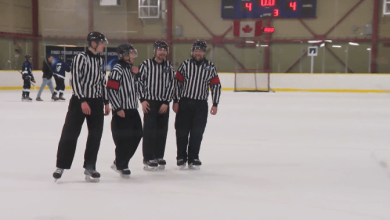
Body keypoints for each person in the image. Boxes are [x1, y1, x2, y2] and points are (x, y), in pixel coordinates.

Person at [53, 31, 110, 182]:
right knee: (70, 133)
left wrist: (106, 102)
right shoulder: (80, 58)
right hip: (80, 101)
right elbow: (75, 80)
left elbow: (102, 82)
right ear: (93, 43)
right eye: (102, 43)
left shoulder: (99, 60)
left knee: (95, 135)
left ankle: (90, 166)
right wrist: (83, 100)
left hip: (97, 101)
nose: (104, 45)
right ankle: (61, 166)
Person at [173, 40, 221, 169]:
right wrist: (176, 101)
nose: (198, 53)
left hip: (200, 105)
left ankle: (193, 157)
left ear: (204, 53)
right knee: (182, 132)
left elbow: (216, 86)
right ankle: (181, 157)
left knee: (197, 132)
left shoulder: (210, 67)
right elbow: (177, 84)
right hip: (184, 103)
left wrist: (215, 103)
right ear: (192, 52)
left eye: (200, 51)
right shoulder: (185, 65)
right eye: (196, 51)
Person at [138, 40, 176, 171]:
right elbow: (139, 82)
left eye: (164, 50)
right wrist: (142, 100)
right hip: (149, 102)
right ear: (155, 51)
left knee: (162, 130)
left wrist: (167, 102)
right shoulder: (146, 64)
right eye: (160, 49)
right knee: (149, 130)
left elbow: (172, 85)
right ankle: (148, 157)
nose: (162, 52)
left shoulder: (169, 66)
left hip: (163, 103)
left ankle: (159, 155)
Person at [107, 44, 143, 178]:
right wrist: (117, 108)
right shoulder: (117, 69)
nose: (133, 56)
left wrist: (137, 74)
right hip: (122, 110)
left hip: (133, 109)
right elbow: (111, 89)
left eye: (133, 53)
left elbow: (138, 88)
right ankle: (122, 165)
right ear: (123, 55)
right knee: (124, 140)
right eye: (131, 53)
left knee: (138, 134)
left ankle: (119, 162)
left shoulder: (131, 69)